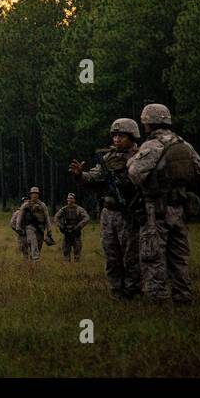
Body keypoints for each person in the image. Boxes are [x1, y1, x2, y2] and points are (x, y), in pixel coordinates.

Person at [128, 103, 200, 305]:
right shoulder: (184, 144)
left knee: (153, 254)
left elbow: (135, 174)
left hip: (156, 209)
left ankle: (158, 300)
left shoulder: (152, 145)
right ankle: (183, 296)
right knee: (179, 255)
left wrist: (132, 161)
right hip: (179, 209)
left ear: (147, 122)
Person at [70, 118, 143, 299]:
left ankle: (133, 291)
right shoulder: (108, 158)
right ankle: (117, 291)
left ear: (132, 136)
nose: (117, 139)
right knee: (111, 254)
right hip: (109, 213)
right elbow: (94, 176)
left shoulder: (140, 156)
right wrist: (81, 175)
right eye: (115, 136)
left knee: (131, 256)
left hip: (130, 213)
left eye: (122, 136)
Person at [16, 187, 56, 261]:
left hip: (40, 228)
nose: (34, 195)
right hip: (29, 227)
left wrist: (49, 230)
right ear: (30, 194)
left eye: (36, 194)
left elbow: (47, 218)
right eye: (33, 193)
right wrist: (18, 227)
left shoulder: (42, 205)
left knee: (38, 246)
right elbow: (20, 216)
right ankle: (36, 259)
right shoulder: (26, 205)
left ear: (38, 195)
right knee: (33, 241)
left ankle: (33, 263)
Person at [54, 193, 90, 262]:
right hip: (66, 232)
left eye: (71, 198)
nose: (69, 199)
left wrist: (79, 226)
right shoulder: (63, 209)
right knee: (66, 251)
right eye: (68, 198)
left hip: (76, 232)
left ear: (74, 200)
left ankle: (76, 267)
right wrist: (61, 226)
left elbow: (87, 218)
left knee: (77, 251)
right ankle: (67, 268)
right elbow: (56, 218)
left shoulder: (79, 209)